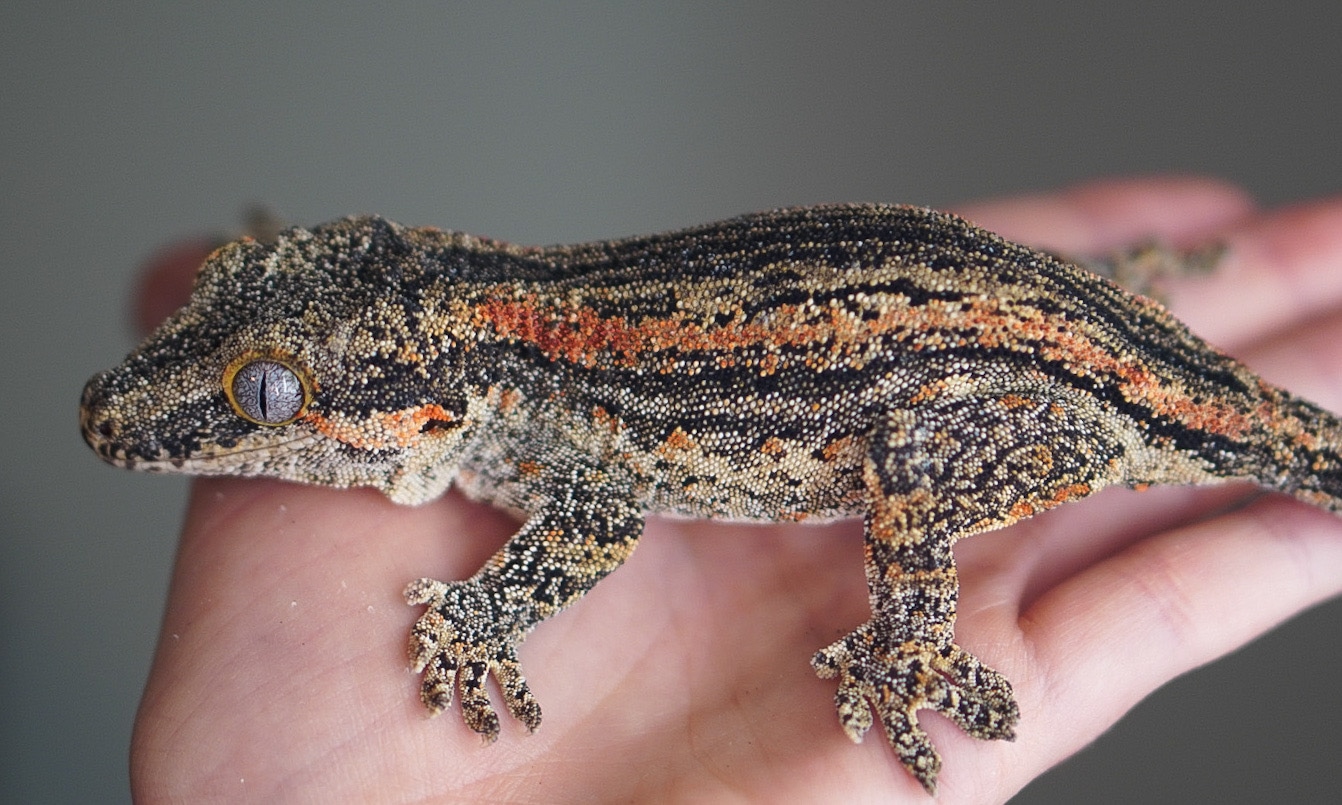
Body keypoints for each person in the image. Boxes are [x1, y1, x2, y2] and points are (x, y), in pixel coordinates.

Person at [128, 177, 1342, 802]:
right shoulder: (482, 336)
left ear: (424, 398)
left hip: (1060, 400)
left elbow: (600, 519)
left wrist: (481, 616)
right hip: (1031, 317)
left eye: (272, 398)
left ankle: (911, 649)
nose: (241, 424)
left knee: (907, 464)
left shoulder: (521, 399)